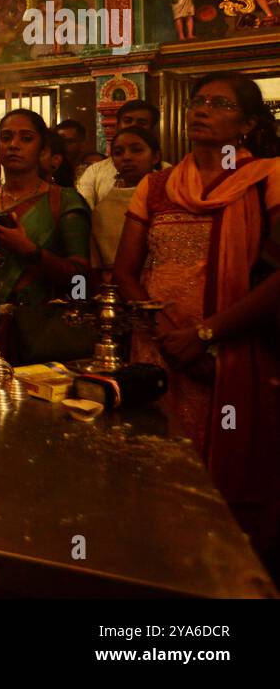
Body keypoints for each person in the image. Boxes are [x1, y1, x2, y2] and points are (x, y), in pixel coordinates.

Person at [113, 72, 280, 560]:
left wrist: (206, 335)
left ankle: (221, 578)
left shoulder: (268, 176)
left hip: (233, 350)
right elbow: (125, 272)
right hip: (158, 348)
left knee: (224, 481)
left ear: (247, 124)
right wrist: (169, 337)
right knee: (160, 473)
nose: (202, 109)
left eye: (220, 105)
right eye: (198, 101)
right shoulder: (158, 184)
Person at [0, 108, 91, 348]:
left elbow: (80, 279)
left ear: (42, 149)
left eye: (26, 138)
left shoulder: (65, 201)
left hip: (39, 332)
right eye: (6, 138)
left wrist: (29, 250)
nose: (14, 145)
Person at [89, 126, 160, 278]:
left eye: (136, 150)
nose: (126, 157)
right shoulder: (104, 208)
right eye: (118, 153)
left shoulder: (170, 196)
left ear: (155, 157)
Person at [77, 99, 161, 208]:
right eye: (127, 121)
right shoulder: (95, 172)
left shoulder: (167, 174)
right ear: (117, 126)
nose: (133, 126)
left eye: (142, 123)